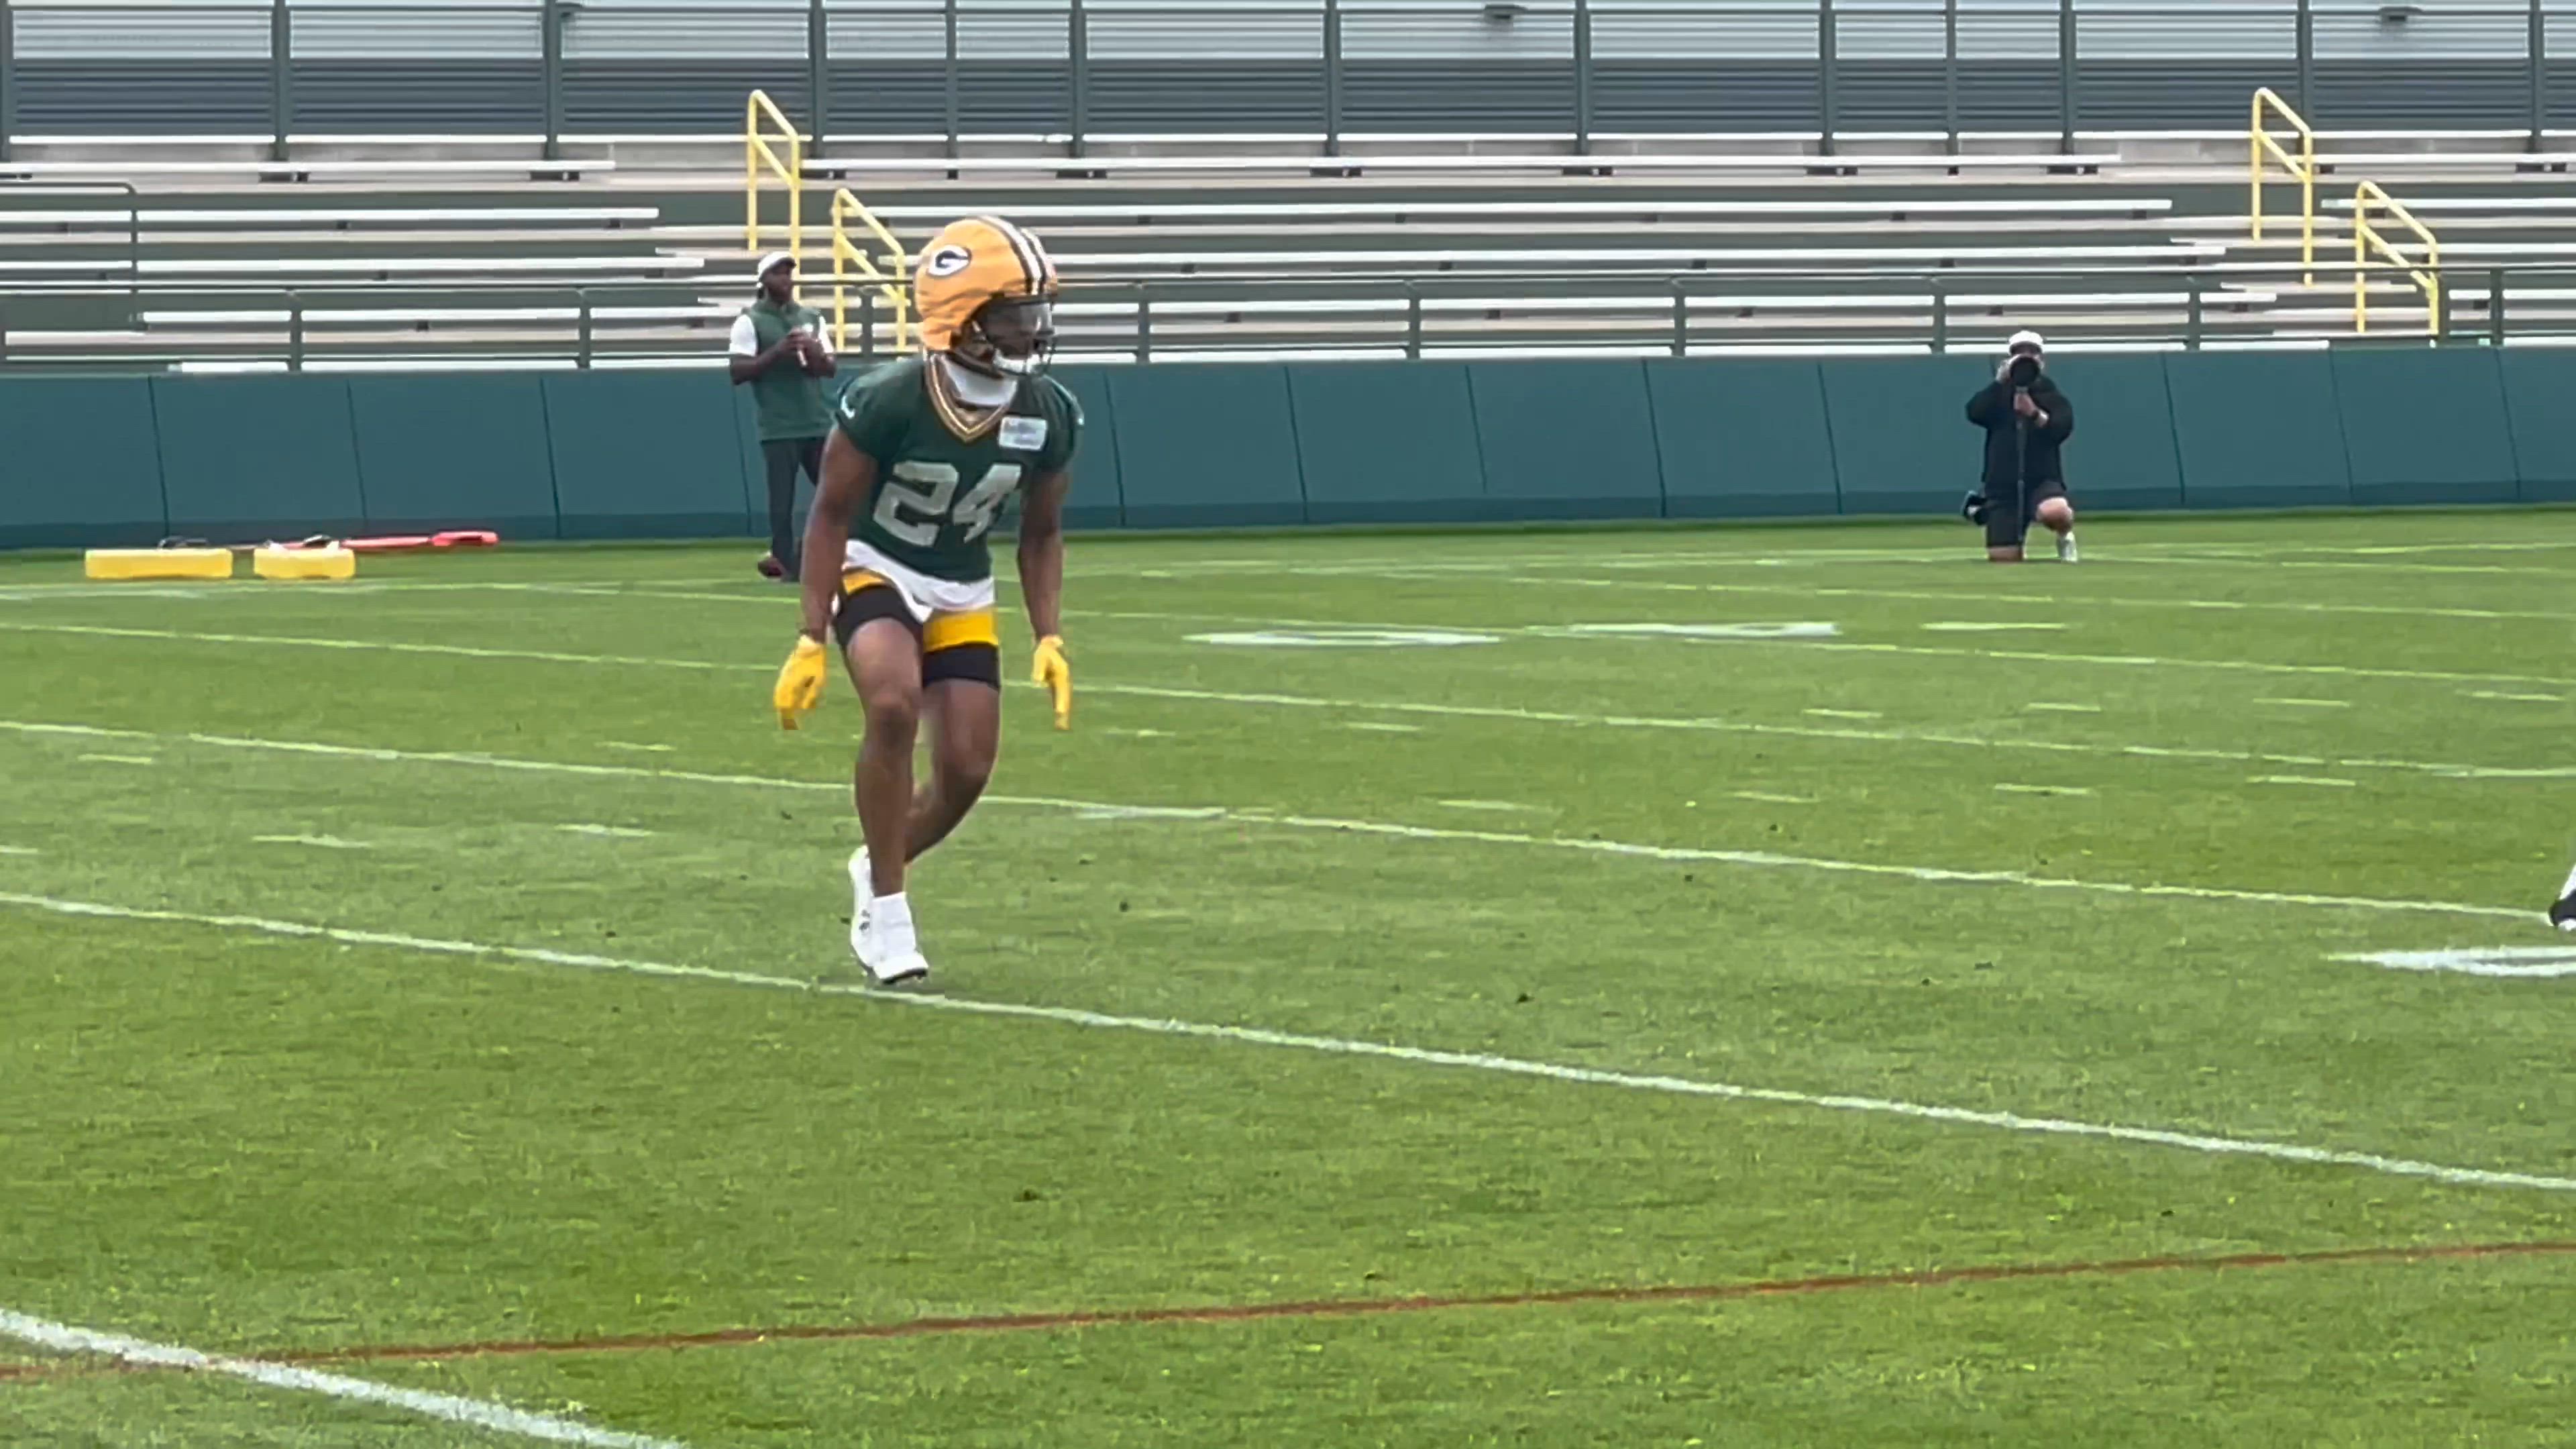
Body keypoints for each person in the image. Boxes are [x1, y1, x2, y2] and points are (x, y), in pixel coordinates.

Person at [770, 215, 1080, 987]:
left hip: (963, 581)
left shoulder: (1050, 411)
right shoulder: (889, 399)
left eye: (1035, 312)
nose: (1030, 330)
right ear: (961, 316)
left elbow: (1040, 535)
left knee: (969, 769)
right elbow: (832, 514)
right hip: (877, 563)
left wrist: (1050, 634)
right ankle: (890, 911)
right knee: (892, 705)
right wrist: (812, 632)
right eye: (1012, 314)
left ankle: (876, 861)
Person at [730, 252, 838, 583]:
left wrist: (813, 351)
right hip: (778, 424)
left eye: (789, 273)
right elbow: (738, 371)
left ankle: (821, 554)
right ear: (763, 281)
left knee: (833, 493)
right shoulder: (750, 320)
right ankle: (784, 560)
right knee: (783, 499)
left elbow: (830, 368)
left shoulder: (811, 317)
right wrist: (779, 352)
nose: (787, 280)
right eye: (778, 274)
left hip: (817, 419)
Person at [1964, 329, 2078, 564]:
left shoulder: (2049, 391)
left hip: (2041, 479)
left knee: (2054, 512)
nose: (2026, 357)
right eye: (2019, 353)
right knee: (2003, 558)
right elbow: (1975, 412)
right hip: (2003, 485)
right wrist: (1999, 383)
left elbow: (2062, 427)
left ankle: (2064, 534)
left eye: (2032, 353)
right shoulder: (1998, 394)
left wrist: (2035, 414)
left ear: (2041, 360)